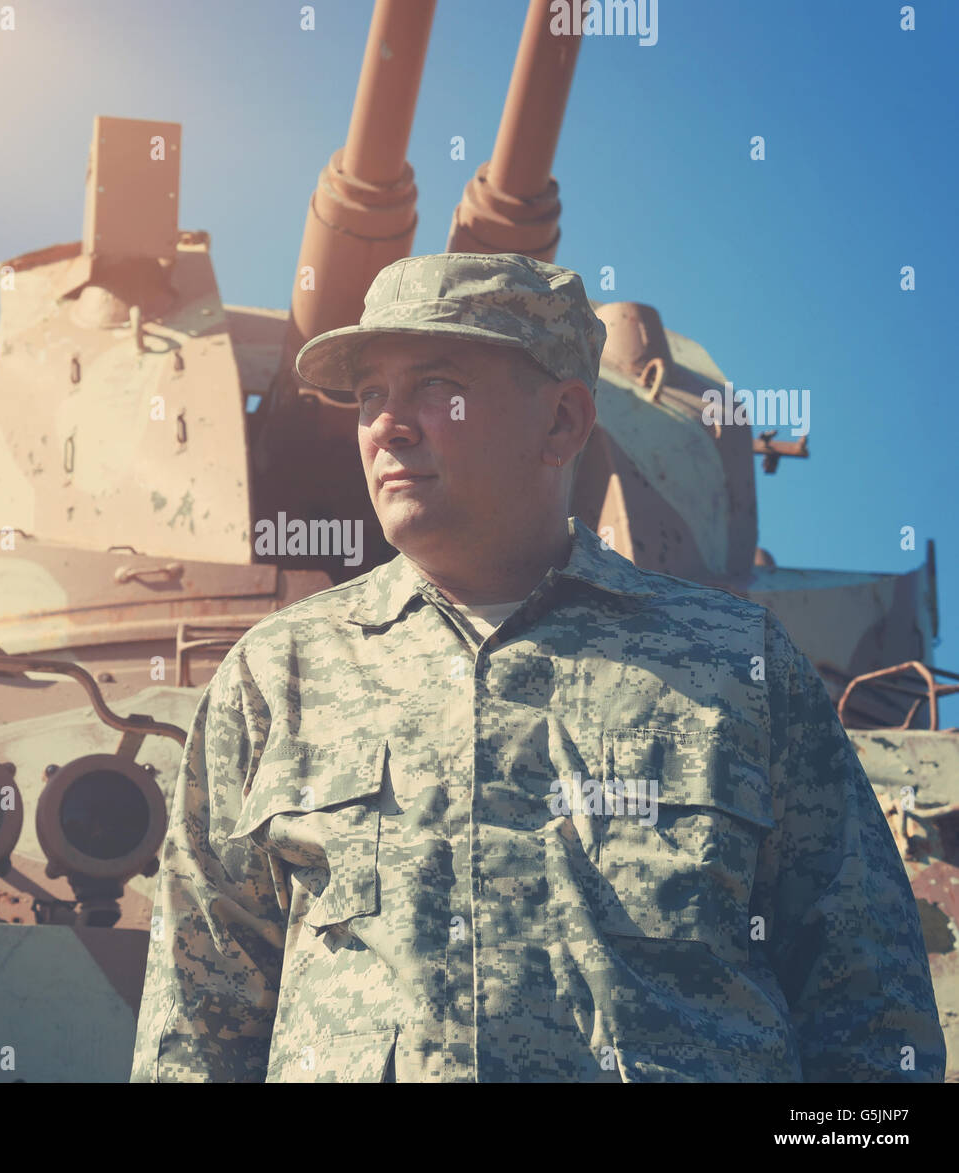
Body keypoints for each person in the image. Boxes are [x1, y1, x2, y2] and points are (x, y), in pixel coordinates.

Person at [129, 252, 945, 1082]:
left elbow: (872, 1012)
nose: (387, 424)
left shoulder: (738, 668)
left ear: (561, 422)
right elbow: (197, 1024)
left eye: (436, 387)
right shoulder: (278, 677)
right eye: (372, 394)